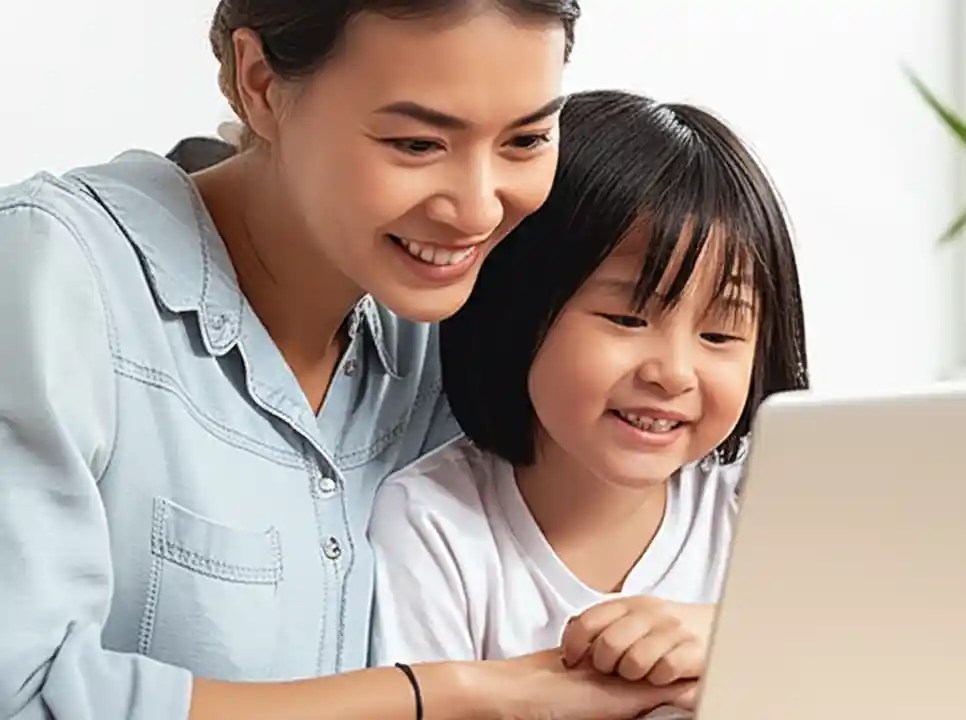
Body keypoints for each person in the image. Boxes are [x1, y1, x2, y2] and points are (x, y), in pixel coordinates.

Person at [0, 2, 697, 718]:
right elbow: (19, 694)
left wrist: (721, 632)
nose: (478, 209)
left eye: (525, 140)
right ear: (261, 83)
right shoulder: (49, 276)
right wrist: (454, 695)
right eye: (418, 144)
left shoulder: (471, 320)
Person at [367, 89, 809, 708]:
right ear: (519, 309)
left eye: (719, 334)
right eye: (627, 319)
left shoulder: (761, 512)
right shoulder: (434, 522)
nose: (674, 373)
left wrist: (735, 637)